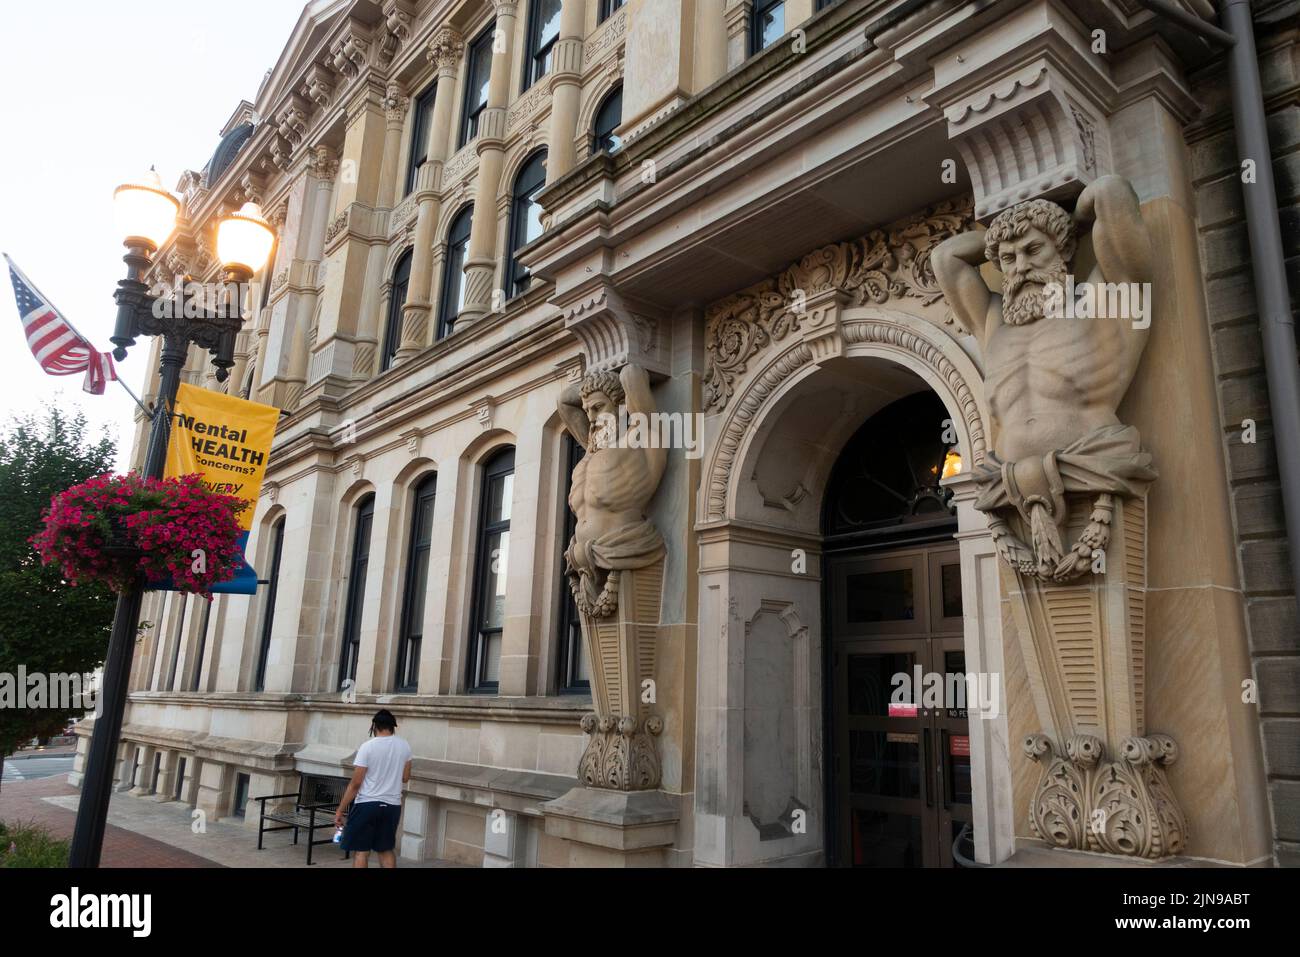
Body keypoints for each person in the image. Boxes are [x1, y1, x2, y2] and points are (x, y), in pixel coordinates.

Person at [334, 709, 413, 868]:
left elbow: (356, 783)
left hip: (367, 804)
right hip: (392, 805)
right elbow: (405, 778)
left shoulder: (367, 747)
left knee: (362, 851)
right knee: (385, 850)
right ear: (393, 727)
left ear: (374, 726)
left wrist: (340, 809)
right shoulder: (405, 746)